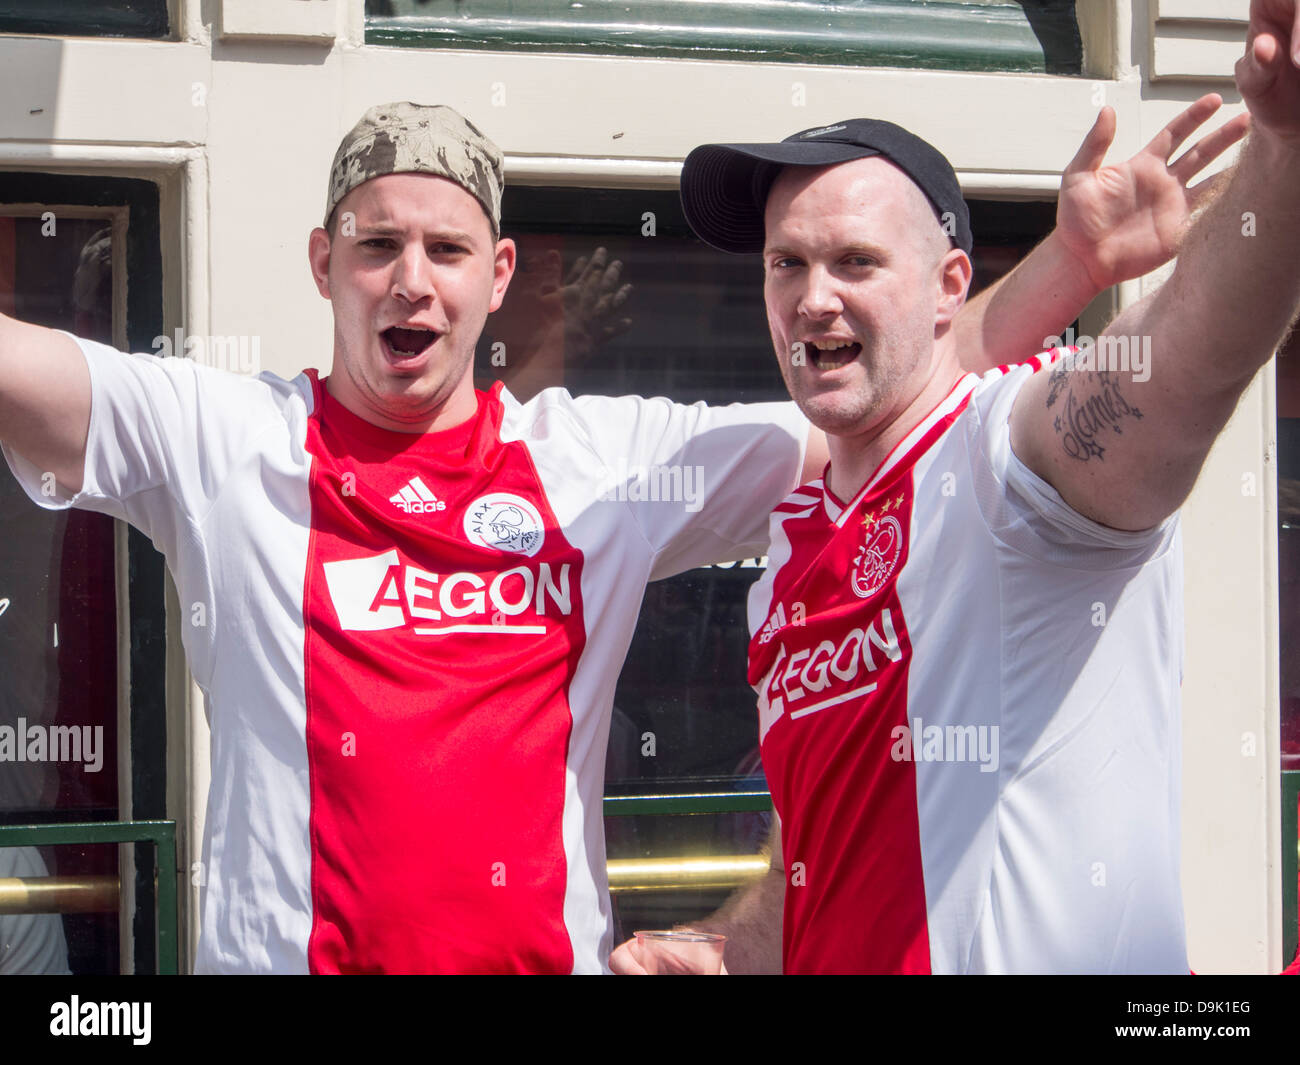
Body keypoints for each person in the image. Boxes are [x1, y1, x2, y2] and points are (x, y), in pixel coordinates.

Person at [0, 95, 1241, 973]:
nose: (410, 282)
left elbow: (874, 381)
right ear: (325, 264)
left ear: (500, 274)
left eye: (445, 250)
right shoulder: (222, 436)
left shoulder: (602, 463)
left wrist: (1073, 270)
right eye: (377, 247)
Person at [613, 7, 1298, 975]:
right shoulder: (788, 557)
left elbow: (1186, 362)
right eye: (786, 264)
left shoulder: (1006, 459)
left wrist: (1282, 152)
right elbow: (816, 862)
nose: (812, 298)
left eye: (855, 261)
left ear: (949, 287)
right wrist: (726, 944)